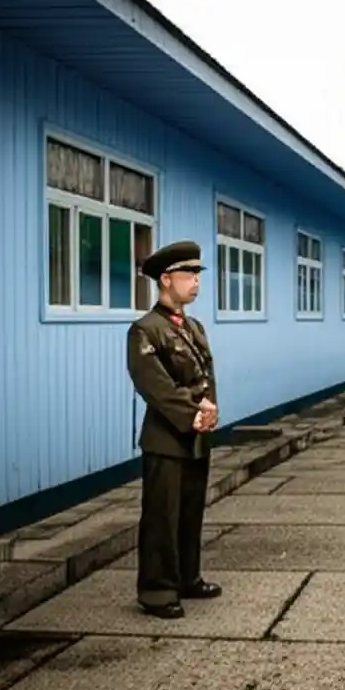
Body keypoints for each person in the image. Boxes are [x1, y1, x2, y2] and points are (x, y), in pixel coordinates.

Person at [126, 239, 222, 619]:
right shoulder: (145, 330)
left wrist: (209, 412)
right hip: (166, 438)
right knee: (161, 517)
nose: (196, 281)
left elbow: (205, 376)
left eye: (198, 274)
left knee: (190, 512)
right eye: (189, 274)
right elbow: (154, 385)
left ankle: (187, 578)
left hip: (195, 436)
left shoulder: (194, 327)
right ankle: (157, 591)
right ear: (166, 279)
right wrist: (192, 414)